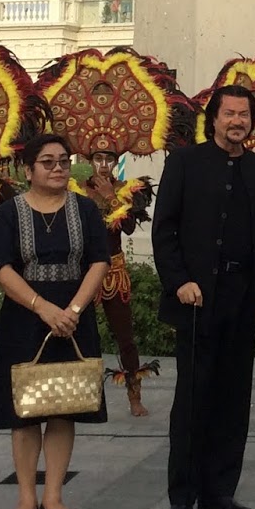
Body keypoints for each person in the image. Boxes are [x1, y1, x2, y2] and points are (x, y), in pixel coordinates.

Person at [152, 84, 255, 509]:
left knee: (233, 399)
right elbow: (164, 230)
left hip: (242, 300)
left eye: (244, 115)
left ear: (252, 120)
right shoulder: (186, 163)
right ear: (214, 118)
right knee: (193, 399)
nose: (236, 122)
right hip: (196, 300)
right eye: (229, 113)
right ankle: (183, 495)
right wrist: (179, 281)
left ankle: (220, 490)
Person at [0, 133, 110, 509]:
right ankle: (26, 499)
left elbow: (99, 261)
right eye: (48, 162)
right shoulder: (9, 212)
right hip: (25, 318)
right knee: (24, 412)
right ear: (28, 169)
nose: (58, 168)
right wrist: (43, 308)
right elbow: (1, 267)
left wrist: (71, 309)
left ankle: (54, 497)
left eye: (63, 161)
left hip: (73, 319)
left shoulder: (86, 209)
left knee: (63, 407)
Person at [85, 149, 154, 416]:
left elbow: (127, 228)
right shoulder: (75, 190)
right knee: (84, 336)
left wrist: (111, 198)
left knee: (125, 337)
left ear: (116, 162)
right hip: (85, 272)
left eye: (109, 160)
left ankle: (134, 398)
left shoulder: (126, 190)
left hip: (114, 270)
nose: (103, 166)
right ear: (89, 161)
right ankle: (83, 395)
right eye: (98, 160)